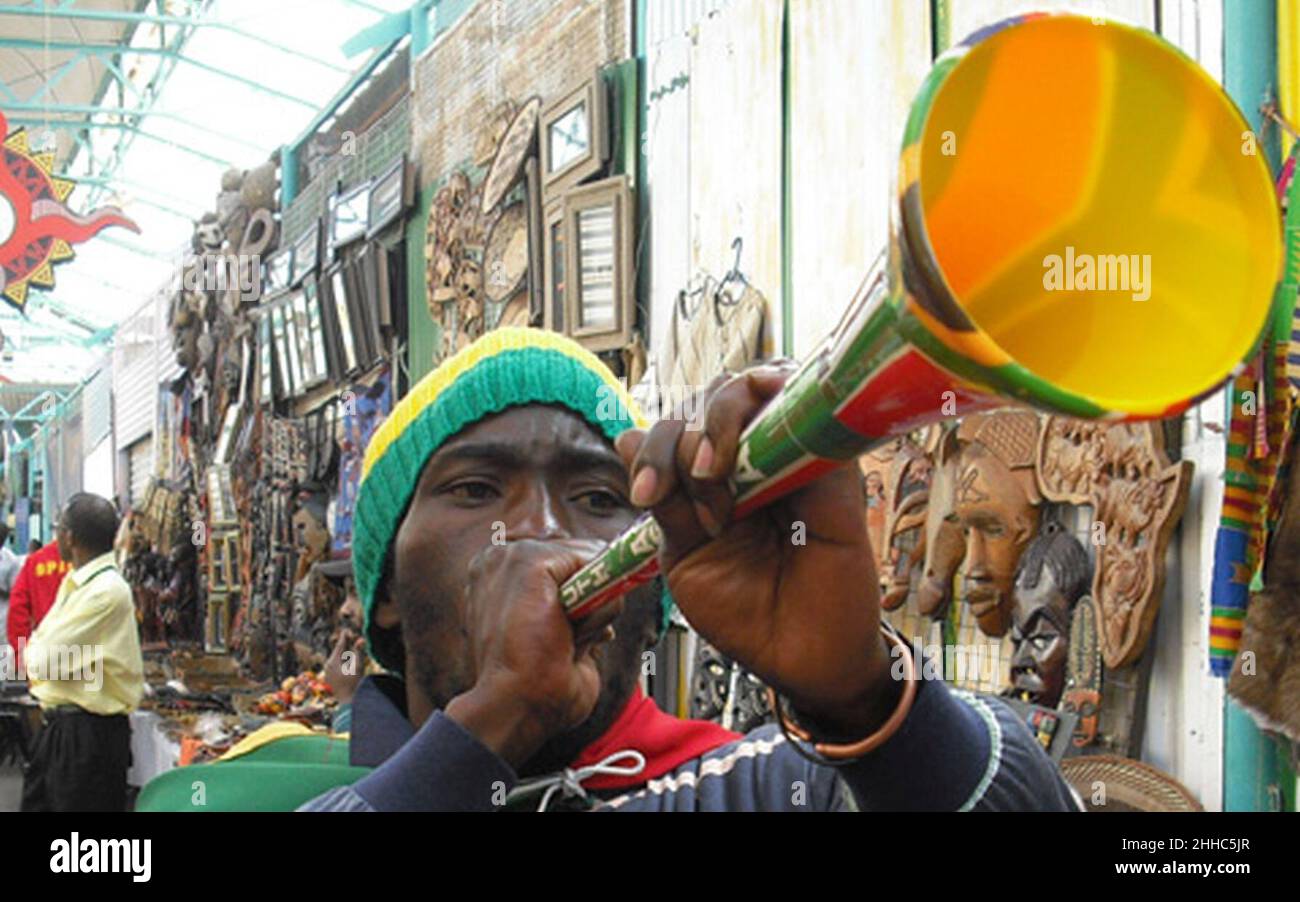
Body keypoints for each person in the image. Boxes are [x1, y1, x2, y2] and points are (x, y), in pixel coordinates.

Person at [141, 328, 1077, 812]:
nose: (546, 538)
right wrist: (490, 727)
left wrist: (867, 701)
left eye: (597, 500)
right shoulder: (248, 788)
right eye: (475, 490)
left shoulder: (761, 788)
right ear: (382, 590)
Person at [21, 493, 144, 812]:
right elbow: (40, 649)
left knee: (81, 853)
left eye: (59, 528)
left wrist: (40, 651)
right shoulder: (78, 583)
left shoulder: (105, 592)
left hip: (87, 739)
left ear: (70, 536)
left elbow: (41, 660)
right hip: (64, 733)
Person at [6, 535, 73, 670]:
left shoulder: (35, 561)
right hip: (87, 655)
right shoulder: (92, 563)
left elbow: (17, 610)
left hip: (44, 656)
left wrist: (21, 657)